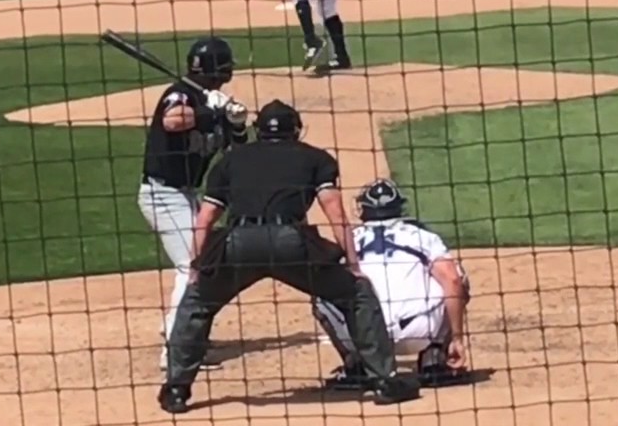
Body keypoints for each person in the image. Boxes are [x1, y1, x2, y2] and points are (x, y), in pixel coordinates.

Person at [157, 101, 422, 414]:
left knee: (197, 303)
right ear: (295, 130)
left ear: (258, 130)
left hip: (238, 244)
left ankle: (176, 389)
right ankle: (385, 382)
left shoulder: (231, 159)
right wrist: (352, 265)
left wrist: (197, 268)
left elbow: (205, 219)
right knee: (357, 295)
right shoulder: (315, 157)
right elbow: (335, 214)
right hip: (291, 244)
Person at [136, 36, 249, 371]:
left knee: (206, 260)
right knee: (193, 265)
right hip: (163, 194)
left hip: (187, 194)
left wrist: (235, 123)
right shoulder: (182, 95)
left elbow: (236, 154)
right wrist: (208, 111)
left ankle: (179, 325)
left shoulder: (212, 101)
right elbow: (173, 120)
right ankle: (177, 347)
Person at [311, 179, 472, 390]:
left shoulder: (349, 240)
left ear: (364, 209)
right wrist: (457, 338)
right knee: (457, 279)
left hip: (364, 336)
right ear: (399, 208)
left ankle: (357, 366)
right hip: (418, 333)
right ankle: (434, 362)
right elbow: (453, 281)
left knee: (320, 293)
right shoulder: (423, 236)